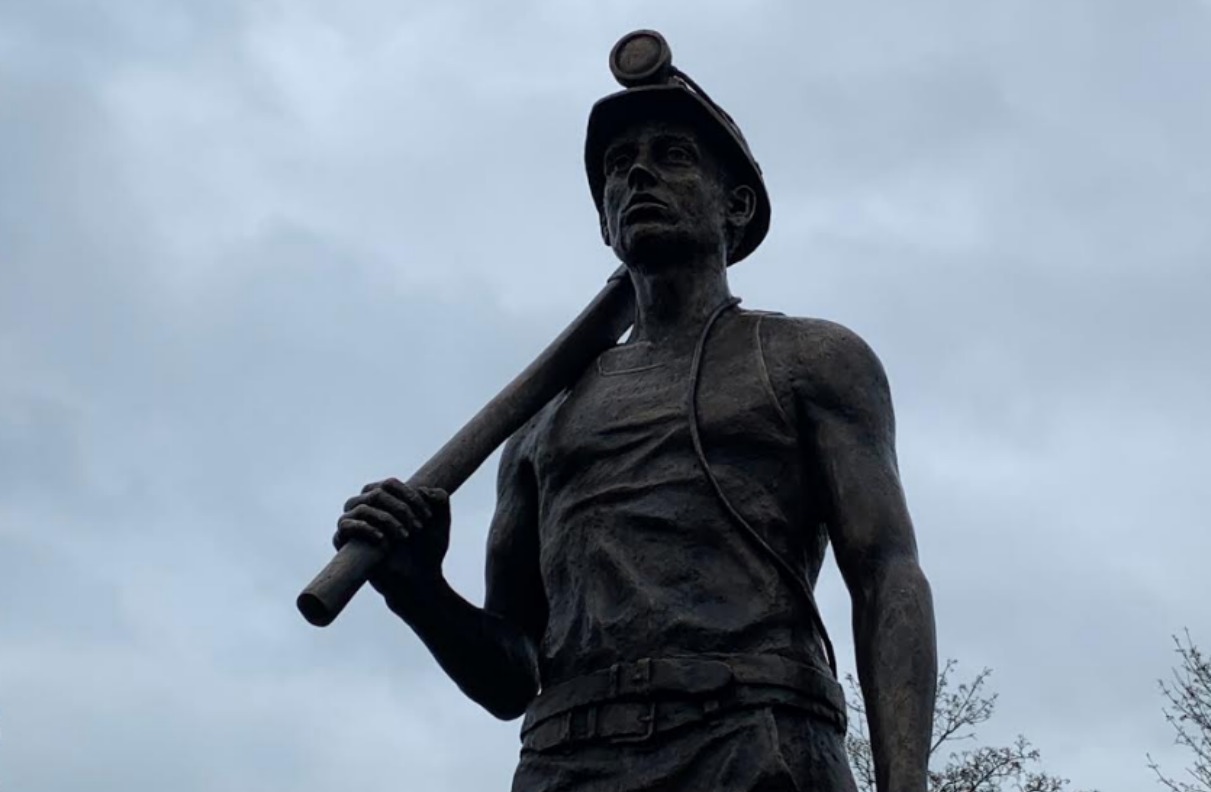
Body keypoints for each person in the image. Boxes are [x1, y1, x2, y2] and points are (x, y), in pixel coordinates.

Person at [333, 31, 936, 792]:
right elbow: (510, 679)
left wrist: (905, 783)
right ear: (604, 223)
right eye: (619, 166)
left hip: (756, 749)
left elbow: (886, 574)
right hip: (566, 763)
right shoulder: (543, 423)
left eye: (672, 155)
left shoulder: (808, 359)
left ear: (736, 205)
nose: (639, 174)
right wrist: (418, 589)